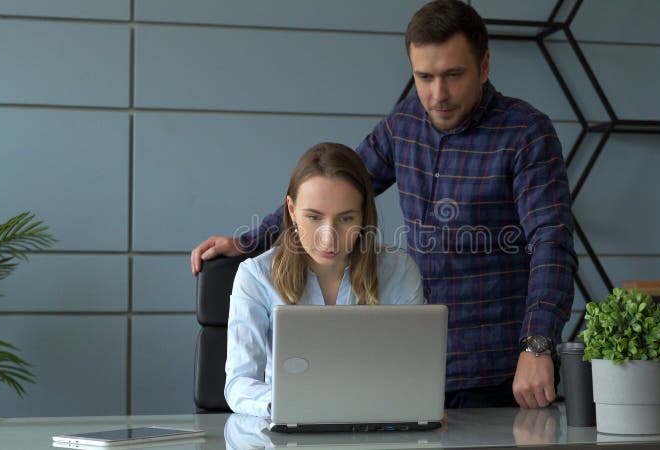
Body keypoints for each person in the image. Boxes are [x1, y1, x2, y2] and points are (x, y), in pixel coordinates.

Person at [197, 0, 577, 410]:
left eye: (453, 75)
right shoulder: (404, 124)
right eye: (424, 77)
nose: (438, 94)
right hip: (413, 369)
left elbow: (551, 244)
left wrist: (538, 345)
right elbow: (335, 184)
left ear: (484, 66)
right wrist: (251, 240)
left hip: (503, 369)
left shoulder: (526, 133)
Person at [224, 142, 425, 417]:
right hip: (286, 432)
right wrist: (290, 406)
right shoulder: (256, 277)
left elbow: (415, 374)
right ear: (292, 211)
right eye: (314, 217)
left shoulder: (399, 271)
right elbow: (238, 383)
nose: (328, 237)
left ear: (364, 215)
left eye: (345, 218)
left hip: (376, 431)